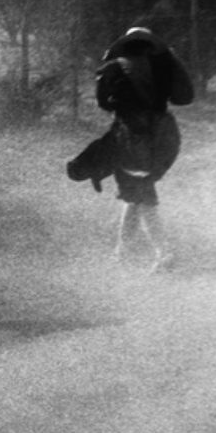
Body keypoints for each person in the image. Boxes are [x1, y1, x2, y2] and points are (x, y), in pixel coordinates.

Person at [68, 24, 194, 269]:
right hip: (164, 139)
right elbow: (185, 97)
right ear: (151, 46)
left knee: (143, 197)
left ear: (124, 46)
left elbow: (104, 103)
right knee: (134, 195)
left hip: (130, 140)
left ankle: (164, 254)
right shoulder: (165, 67)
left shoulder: (113, 69)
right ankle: (122, 253)